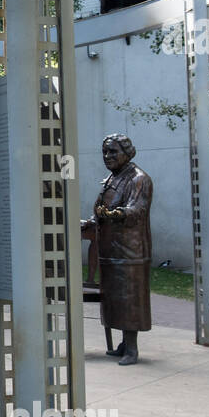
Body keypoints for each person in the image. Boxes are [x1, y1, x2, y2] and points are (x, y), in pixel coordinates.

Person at [82, 134, 152, 365]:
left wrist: (116, 214)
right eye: (105, 152)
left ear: (126, 152)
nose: (107, 156)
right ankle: (122, 344)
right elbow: (99, 210)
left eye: (113, 151)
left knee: (129, 300)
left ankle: (132, 348)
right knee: (114, 300)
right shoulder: (112, 179)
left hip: (129, 253)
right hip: (110, 251)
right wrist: (91, 222)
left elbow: (137, 209)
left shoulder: (139, 179)